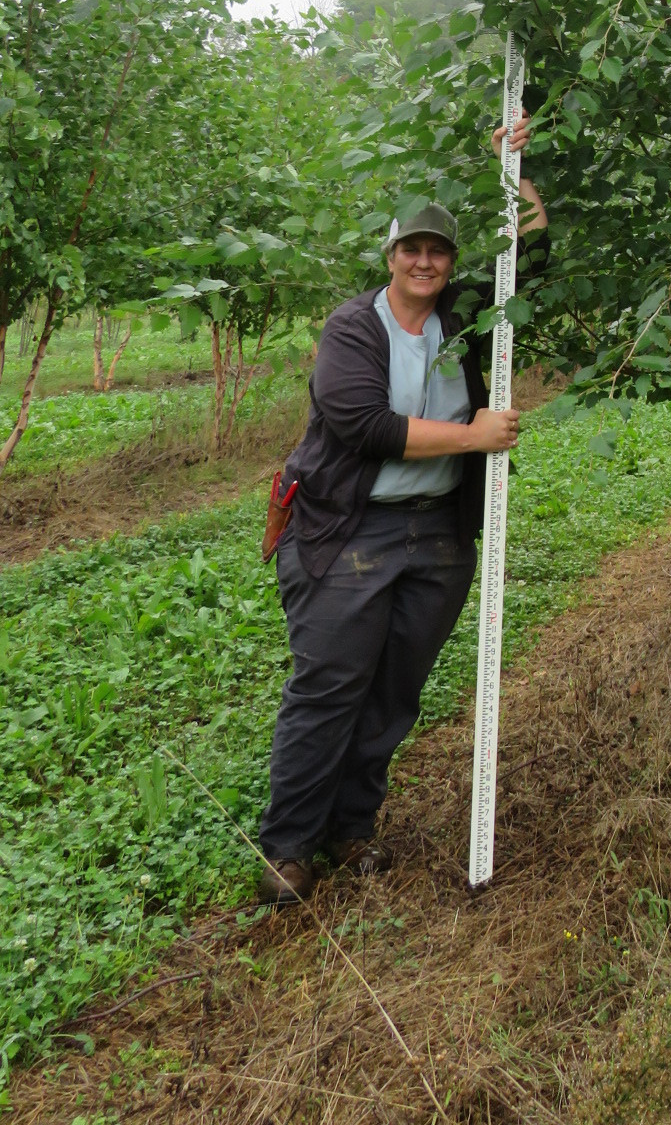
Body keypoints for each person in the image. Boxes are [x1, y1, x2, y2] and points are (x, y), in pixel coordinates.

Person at [256, 115, 548, 905]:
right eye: (410, 249)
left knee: (393, 692)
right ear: (390, 256)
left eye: (438, 250)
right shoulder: (355, 326)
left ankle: (353, 831)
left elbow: (533, 259)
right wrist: (473, 435)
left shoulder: (465, 319)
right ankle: (289, 847)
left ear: (451, 262)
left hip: (437, 537)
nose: (424, 261)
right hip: (349, 533)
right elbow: (363, 427)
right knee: (330, 686)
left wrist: (511, 171)